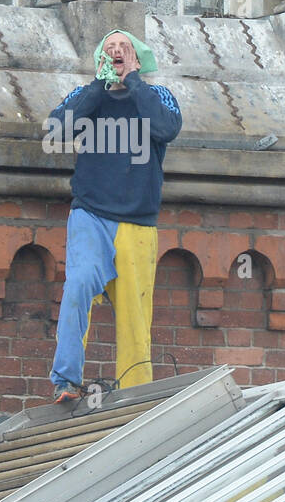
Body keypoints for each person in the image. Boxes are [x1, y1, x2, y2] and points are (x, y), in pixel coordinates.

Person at [45, 29, 183, 402]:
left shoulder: (156, 95)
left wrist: (133, 83)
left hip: (137, 222)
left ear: (138, 59)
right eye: (109, 49)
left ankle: (136, 396)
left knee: (135, 318)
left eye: (125, 48)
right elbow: (57, 129)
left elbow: (166, 128)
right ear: (100, 60)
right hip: (90, 214)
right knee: (78, 285)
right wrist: (97, 87)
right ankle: (66, 381)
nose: (117, 53)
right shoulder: (87, 96)